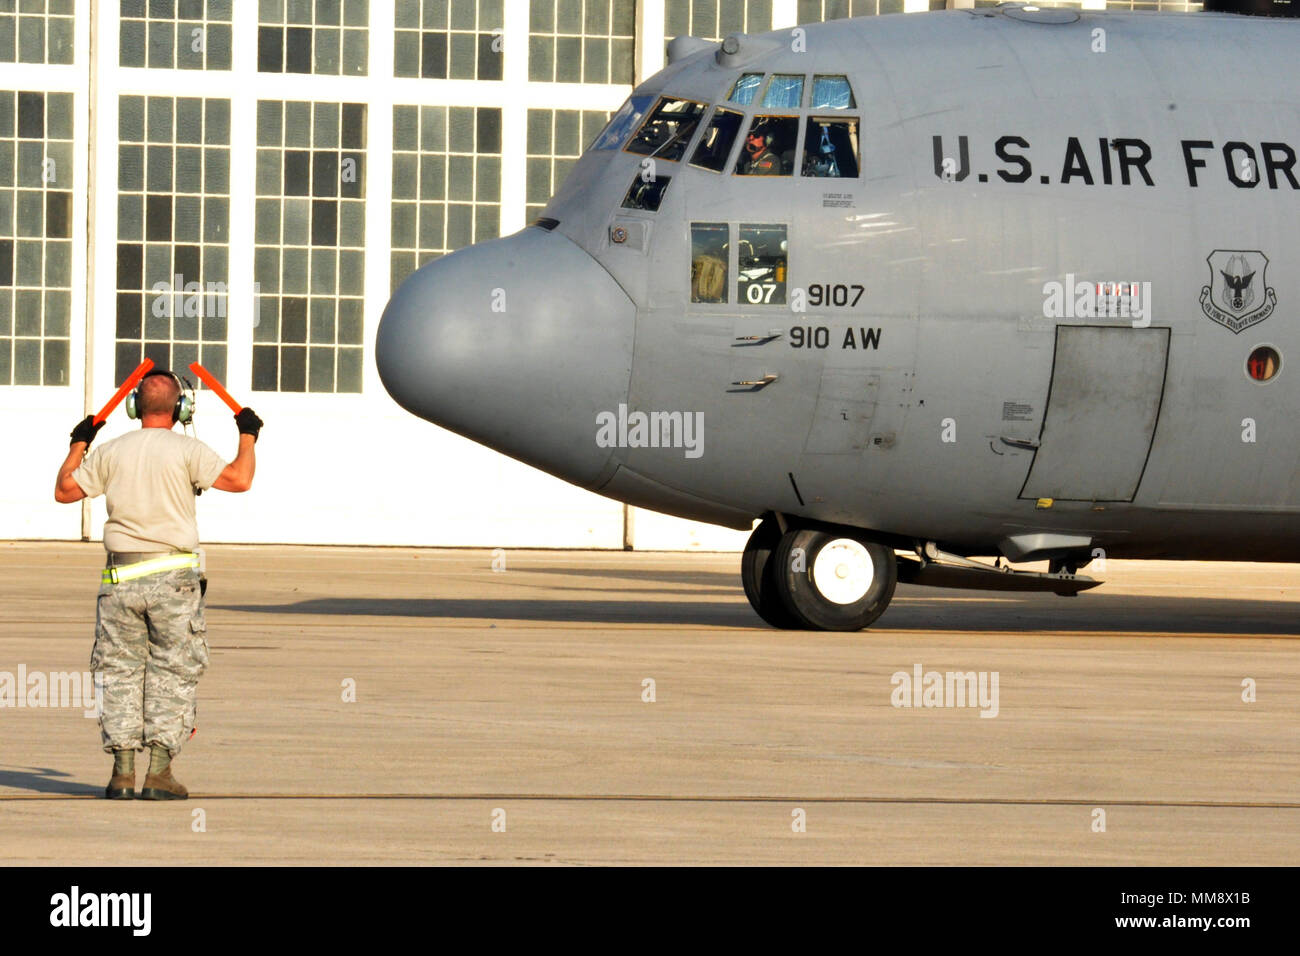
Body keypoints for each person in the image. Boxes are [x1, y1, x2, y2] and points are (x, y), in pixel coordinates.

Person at [53, 369, 263, 801]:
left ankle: (122, 774)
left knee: (119, 674)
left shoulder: (112, 451)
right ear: (180, 408)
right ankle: (160, 773)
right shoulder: (188, 450)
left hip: (120, 579)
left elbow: (65, 490)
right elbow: (240, 480)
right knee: (174, 671)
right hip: (173, 580)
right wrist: (247, 435)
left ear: (134, 407)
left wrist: (80, 443)